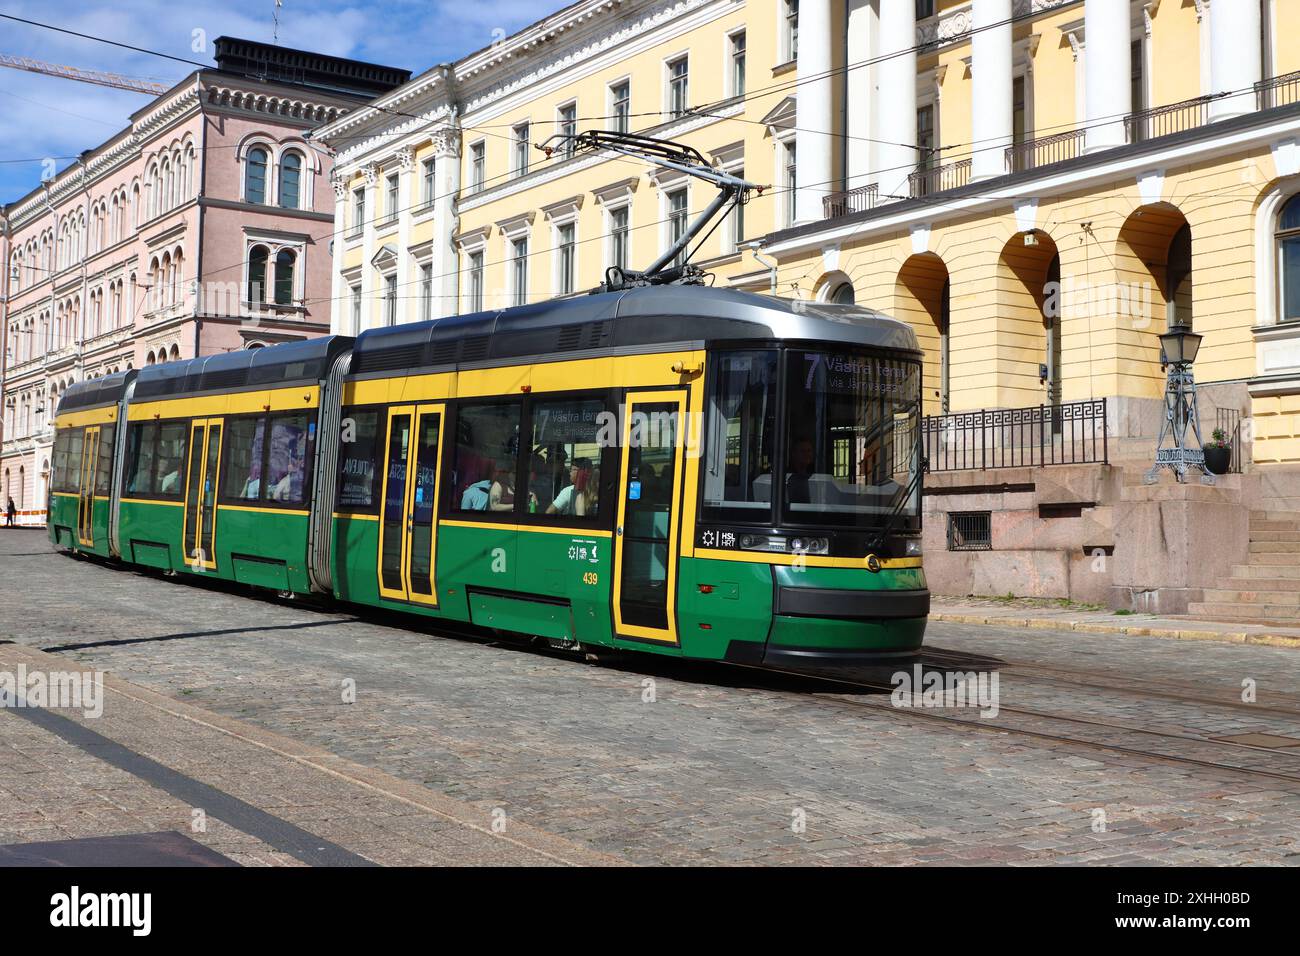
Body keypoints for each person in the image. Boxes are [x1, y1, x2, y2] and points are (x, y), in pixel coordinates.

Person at [786, 437, 815, 504]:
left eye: (809, 451)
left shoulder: (816, 473)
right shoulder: (786, 475)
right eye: (802, 451)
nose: (807, 454)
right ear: (794, 454)